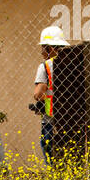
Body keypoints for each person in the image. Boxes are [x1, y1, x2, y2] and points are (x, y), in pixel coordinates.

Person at [32, 25, 70, 165]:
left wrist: (46, 100)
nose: (42, 52)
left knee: (51, 156)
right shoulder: (74, 63)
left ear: (50, 48)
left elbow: (38, 93)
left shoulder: (46, 66)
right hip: (73, 118)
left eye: (43, 48)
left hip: (51, 119)